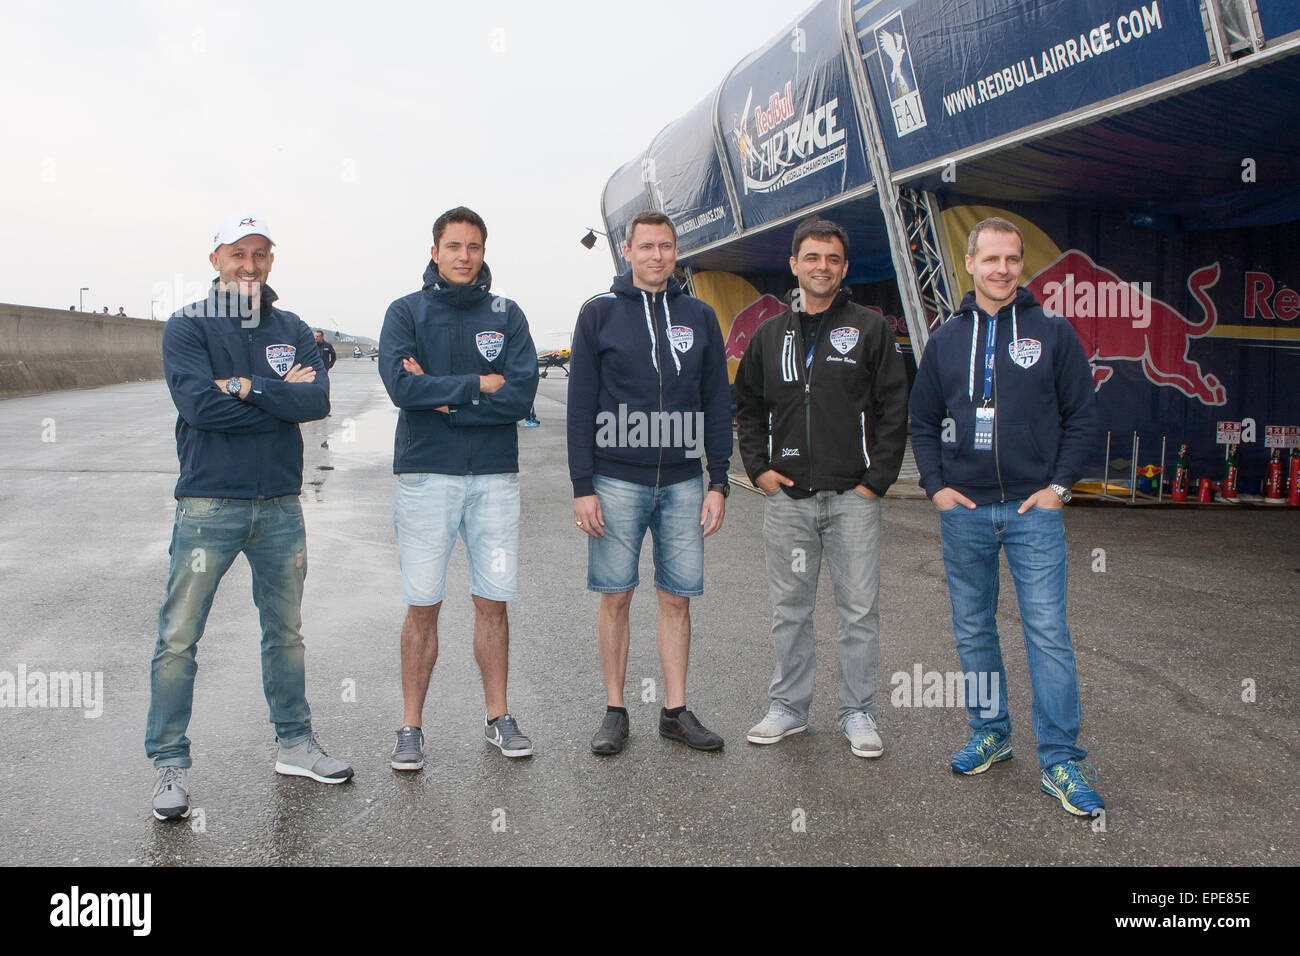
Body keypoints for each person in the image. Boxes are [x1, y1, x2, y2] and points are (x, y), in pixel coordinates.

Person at [147, 214, 352, 822]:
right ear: (215, 259)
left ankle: (294, 743)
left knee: (285, 633)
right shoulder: (187, 326)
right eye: (239, 253)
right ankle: (168, 764)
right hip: (210, 502)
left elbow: (316, 401)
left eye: (261, 254)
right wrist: (274, 394)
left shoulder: (290, 325)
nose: (251, 265)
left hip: (281, 505)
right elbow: (199, 407)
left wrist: (242, 385)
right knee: (180, 637)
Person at [908, 216, 1104, 817]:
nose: (1002, 269)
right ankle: (989, 732)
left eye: (1012, 259)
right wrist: (936, 487)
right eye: (990, 258)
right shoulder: (944, 340)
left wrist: (1059, 489)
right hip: (964, 511)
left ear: (1021, 264)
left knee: (1047, 633)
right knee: (972, 628)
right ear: (968, 263)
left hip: (1032, 511)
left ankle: (1062, 760)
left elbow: (1084, 417)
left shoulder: (1052, 331)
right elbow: (921, 421)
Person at [734, 217, 908, 757]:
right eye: (811, 257)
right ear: (794, 264)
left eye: (832, 259)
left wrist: (876, 481)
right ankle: (788, 707)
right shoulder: (769, 334)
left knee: (859, 611)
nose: (821, 267)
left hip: (854, 498)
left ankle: (858, 712)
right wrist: (759, 469)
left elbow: (893, 409)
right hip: (788, 499)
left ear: (844, 267)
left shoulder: (871, 329)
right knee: (791, 609)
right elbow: (747, 408)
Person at [379, 206, 539, 771]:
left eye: (473, 246)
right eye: (454, 246)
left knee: (492, 603)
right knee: (423, 604)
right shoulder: (406, 311)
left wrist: (442, 396)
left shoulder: (507, 314)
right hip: (425, 477)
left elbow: (520, 395)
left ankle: (498, 717)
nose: (464, 256)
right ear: (434, 252)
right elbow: (400, 386)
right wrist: (476, 387)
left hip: (495, 477)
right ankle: (410, 727)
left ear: (483, 250)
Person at [568, 211, 732, 755]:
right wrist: (582, 485)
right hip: (616, 481)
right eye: (647, 246)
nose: (658, 256)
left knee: (677, 599)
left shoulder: (700, 315)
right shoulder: (599, 315)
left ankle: (675, 711)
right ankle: (615, 711)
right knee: (616, 596)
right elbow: (579, 405)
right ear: (628, 252)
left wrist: (719, 480)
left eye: (666, 246)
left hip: (685, 482)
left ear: (675, 251)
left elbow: (716, 401)